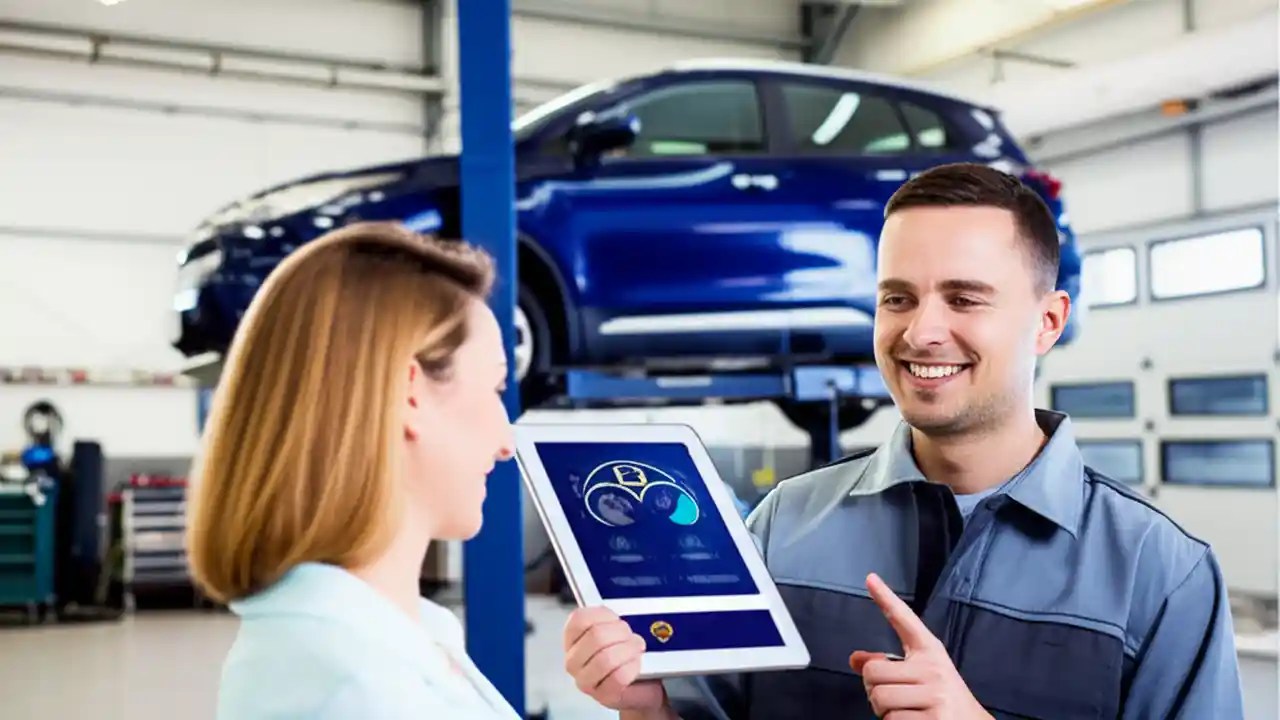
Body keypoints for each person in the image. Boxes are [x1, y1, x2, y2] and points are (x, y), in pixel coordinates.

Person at [560, 163, 1245, 719]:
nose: (920, 332)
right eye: (897, 298)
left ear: (1047, 321)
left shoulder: (1160, 577)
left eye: (965, 298)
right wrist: (645, 709)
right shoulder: (783, 528)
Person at [185, 221, 521, 719]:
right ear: (411, 393)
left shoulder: (396, 637)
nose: (507, 442)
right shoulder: (359, 690)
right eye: (494, 390)